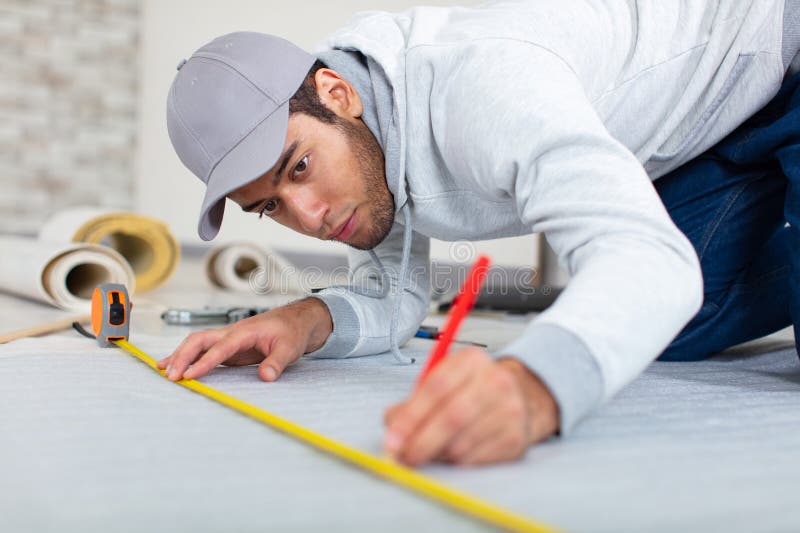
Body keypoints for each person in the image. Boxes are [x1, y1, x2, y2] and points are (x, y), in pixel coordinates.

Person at [159, 0, 800, 466]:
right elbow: (392, 299)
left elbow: (650, 261)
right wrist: (302, 322)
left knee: (640, 297)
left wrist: (534, 385)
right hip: (720, 121)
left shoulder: (482, 90)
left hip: (779, 46)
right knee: (674, 328)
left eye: (298, 167)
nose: (310, 216)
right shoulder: (365, 145)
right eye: (271, 207)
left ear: (337, 93)